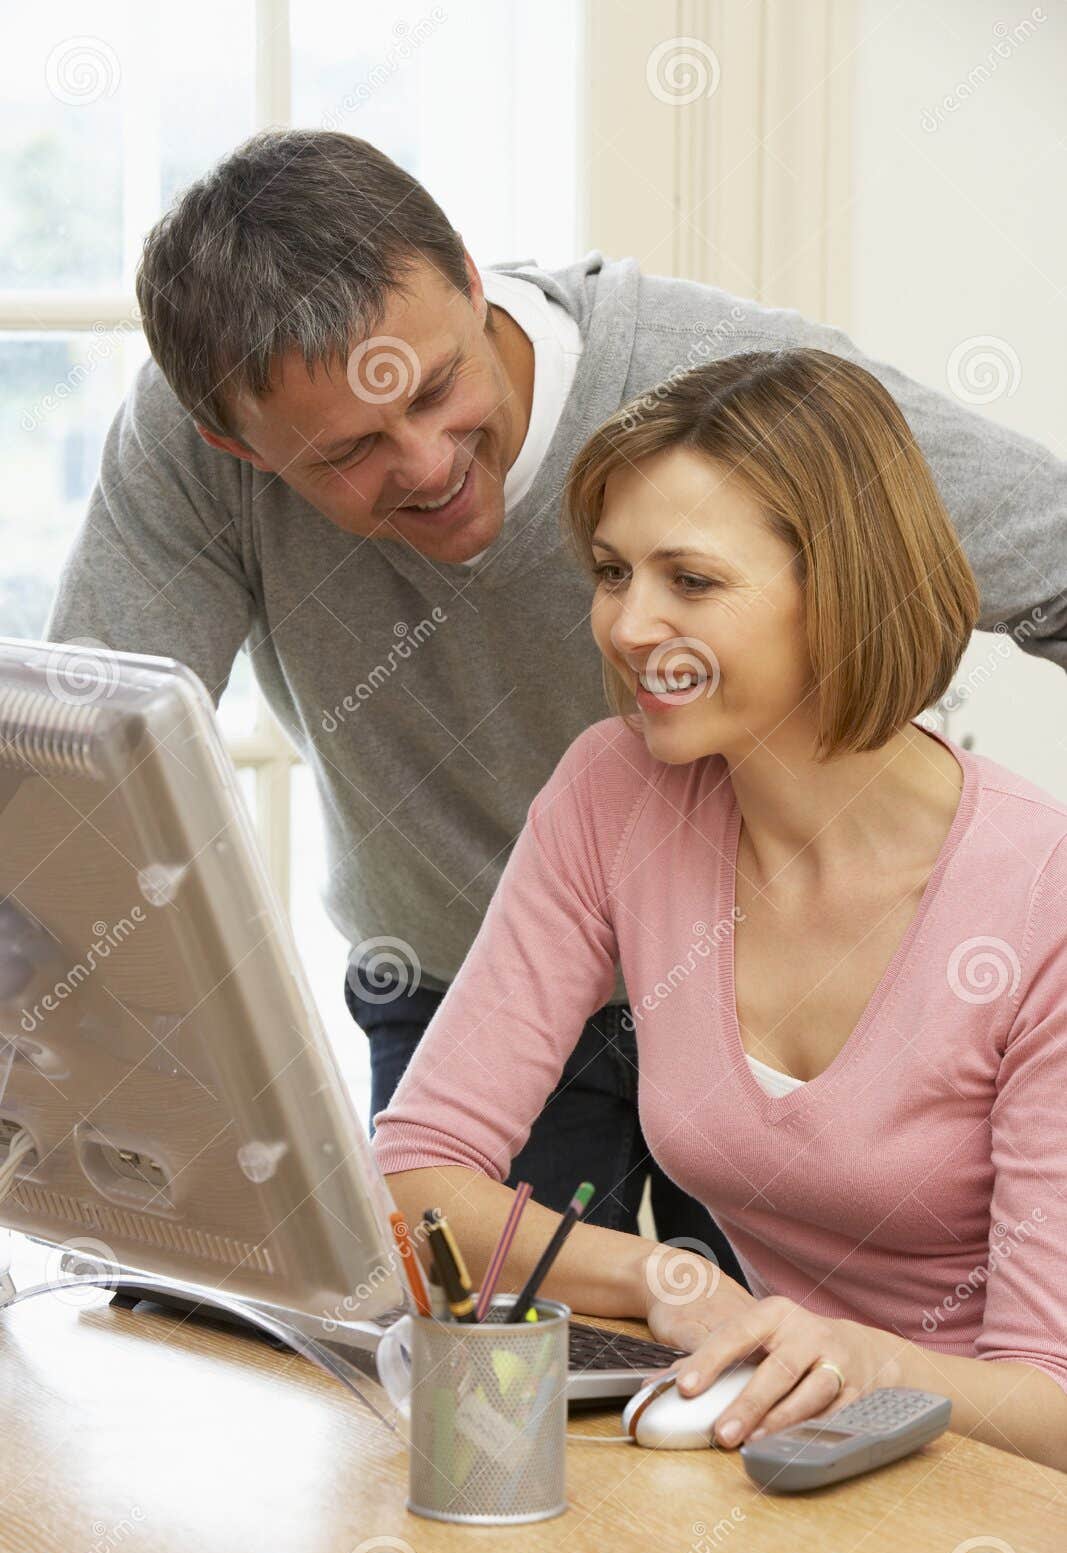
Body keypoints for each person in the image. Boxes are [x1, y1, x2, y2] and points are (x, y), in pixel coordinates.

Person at [46, 130, 1067, 1281]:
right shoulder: (195, 460)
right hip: (462, 976)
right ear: (236, 445)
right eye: (349, 453)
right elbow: (83, 787)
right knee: (493, 1398)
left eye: (437, 388)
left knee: (809, 1376)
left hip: (768, 991)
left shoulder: (722, 389)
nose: (426, 463)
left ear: (474, 282)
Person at [374, 349, 1067, 1472]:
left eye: (688, 581)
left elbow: (1052, 1398)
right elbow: (416, 1173)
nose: (626, 625)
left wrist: (860, 1359)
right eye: (610, 573)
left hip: (990, 1500)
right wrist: (667, 1276)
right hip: (788, 1452)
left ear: (840, 587)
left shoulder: (1039, 899)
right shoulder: (615, 793)